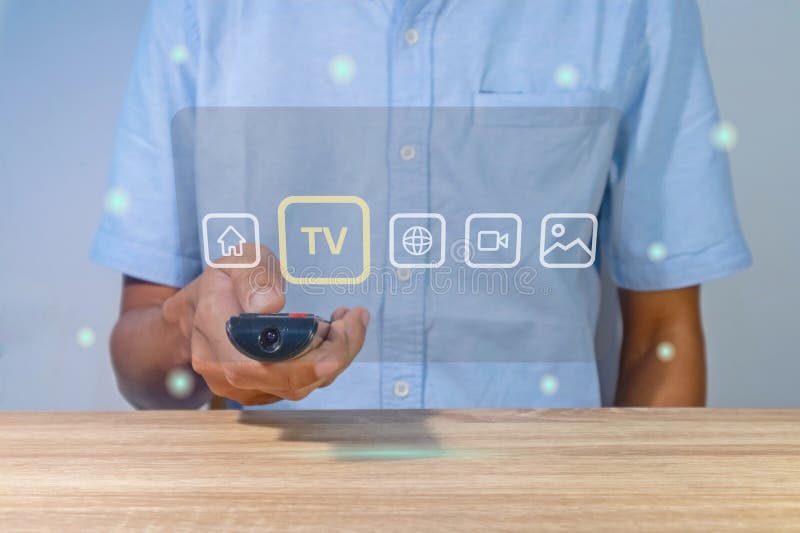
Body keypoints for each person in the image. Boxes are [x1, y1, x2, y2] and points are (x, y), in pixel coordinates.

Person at [92, 0, 751, 410]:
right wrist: (189, 330)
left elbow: (664, 337)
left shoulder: (635, 8)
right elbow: (138, 353)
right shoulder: (199, 10)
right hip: (272, 506)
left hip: (537, 504)